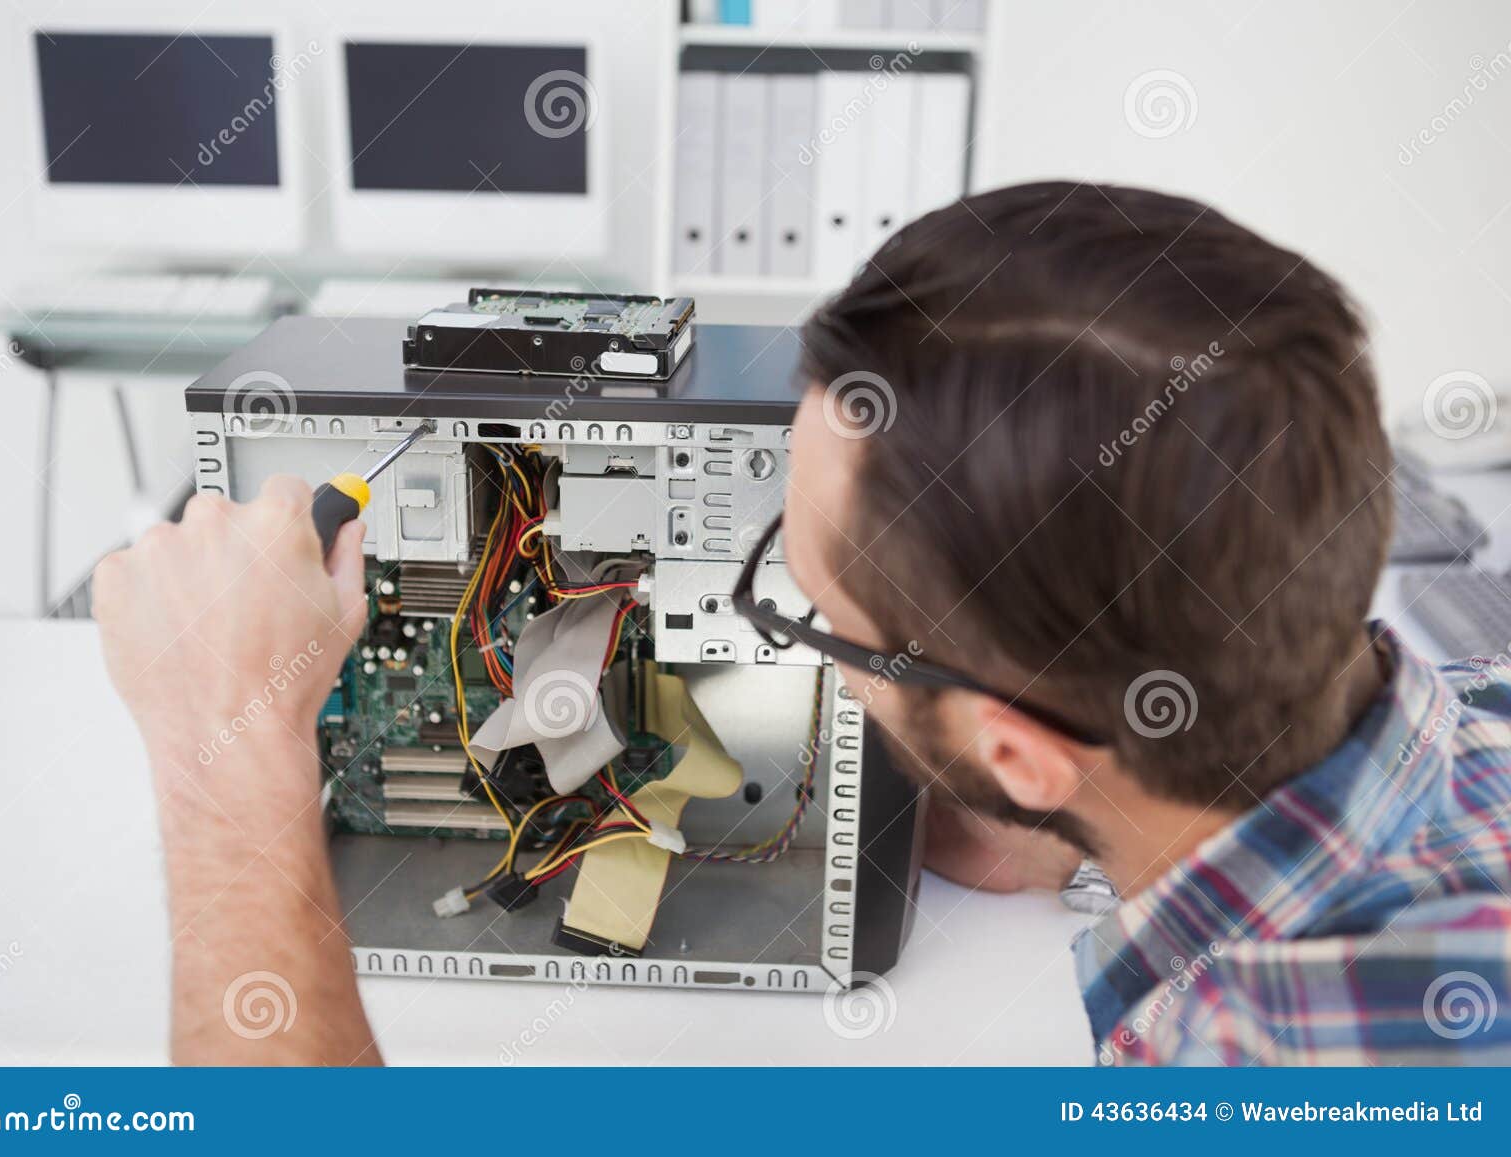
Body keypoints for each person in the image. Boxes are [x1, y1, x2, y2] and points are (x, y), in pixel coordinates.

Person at [94, 182, 1511, 1066]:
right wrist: (1092, 821)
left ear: (1019, 746)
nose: (791, 618)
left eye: (816, 611)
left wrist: (228, 761)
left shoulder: (1268, 1063)